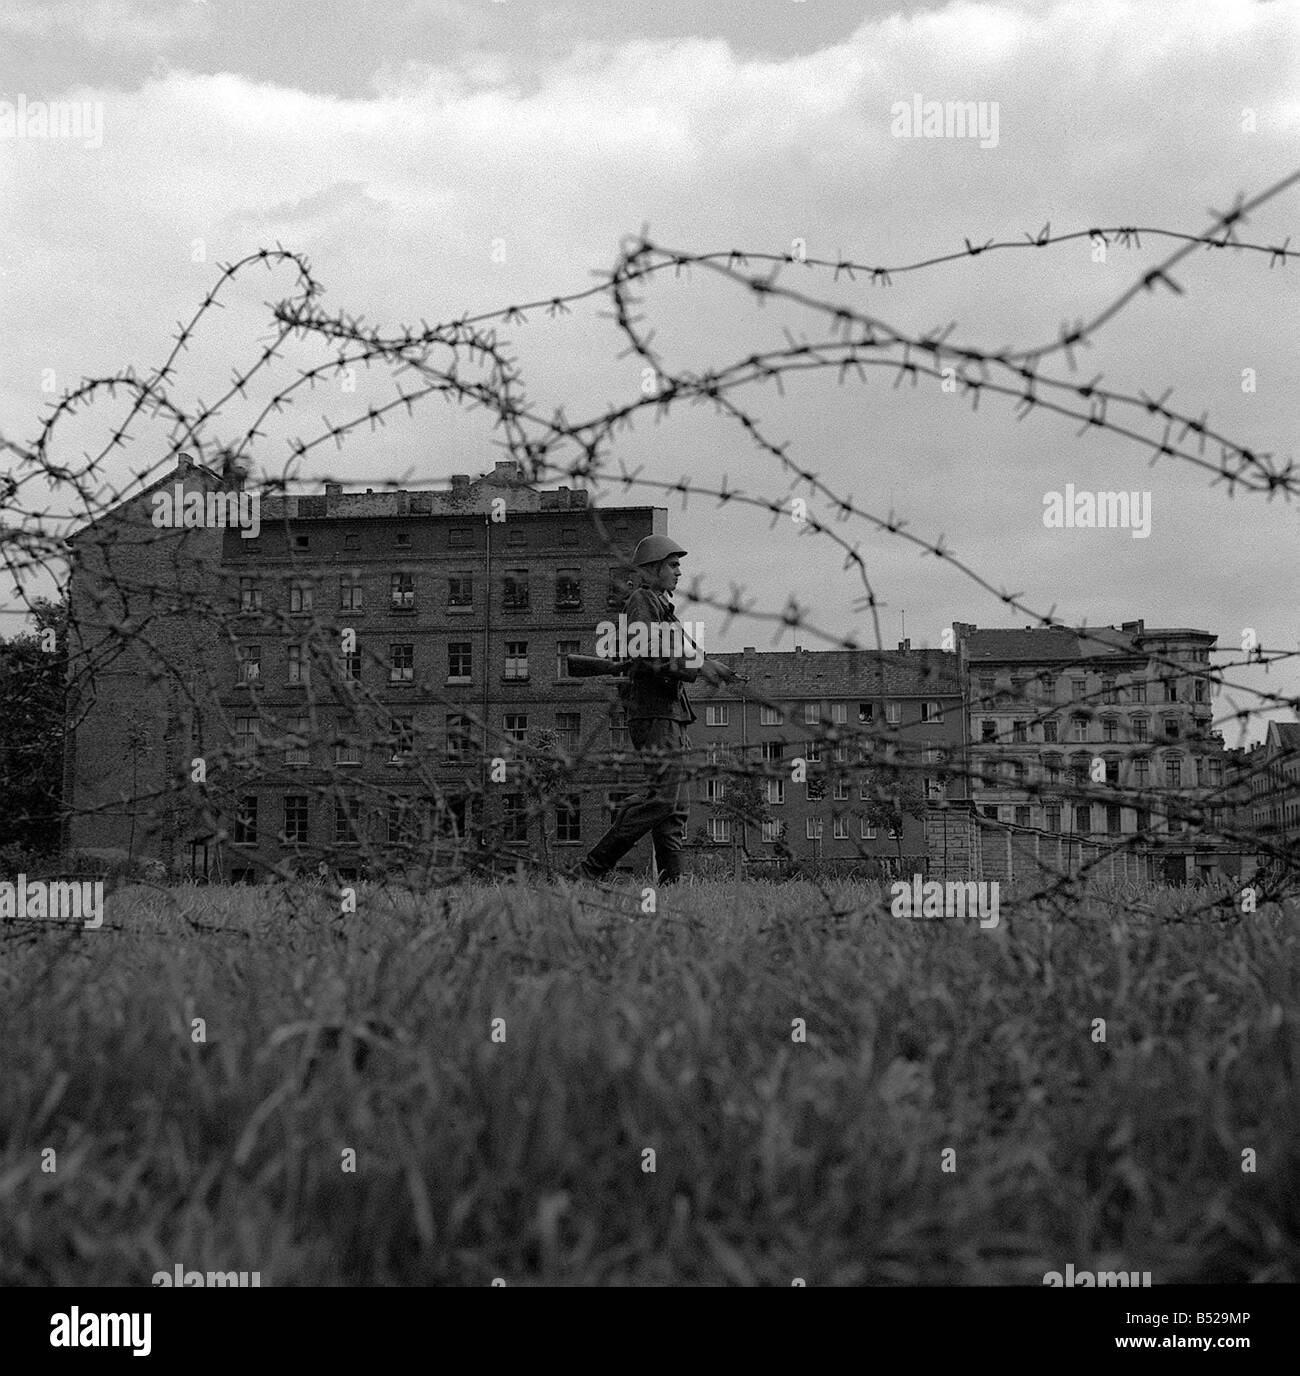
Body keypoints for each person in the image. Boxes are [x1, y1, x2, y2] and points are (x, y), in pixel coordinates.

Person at [573, 535, 735, 884]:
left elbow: (677, 651)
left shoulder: (661, 606)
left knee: (674, 806)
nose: (679, 572)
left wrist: (709, 664)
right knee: (662, 800)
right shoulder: (642, 600)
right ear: (652, 568)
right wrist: (697, 667)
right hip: (654, 713)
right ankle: (590, 870)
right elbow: (648, 653)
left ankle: (671, 883)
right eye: (672, 565)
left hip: (670, 714)